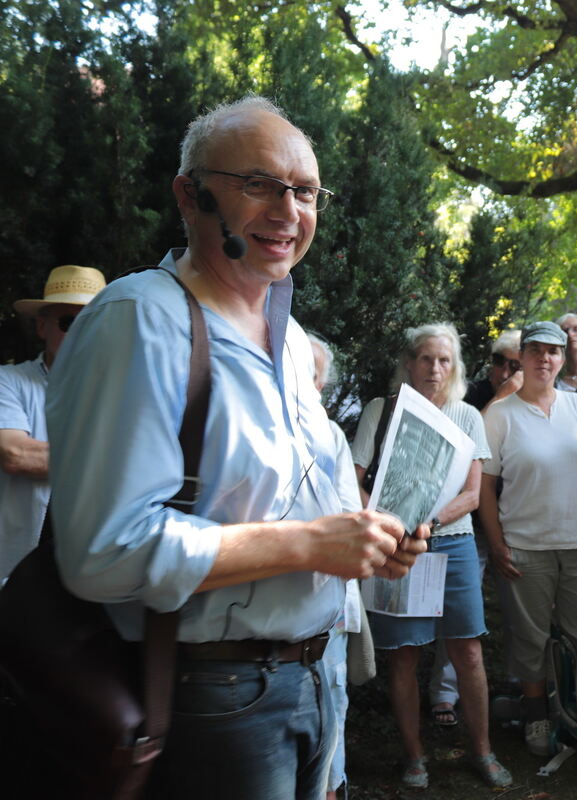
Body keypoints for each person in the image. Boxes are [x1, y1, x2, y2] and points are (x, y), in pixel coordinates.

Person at [45, 96, 428, 799]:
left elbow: (298, 499)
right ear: (190, 194)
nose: (289, 210)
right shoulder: (139, 321)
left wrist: (373, 542)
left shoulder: (285, 335)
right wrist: (309, 545)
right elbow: (102, 553)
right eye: (258, 184)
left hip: (314, 677)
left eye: (306, 190)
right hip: (212, 698)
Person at [357, 323, 511, 790]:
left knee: (467, 649)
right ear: (409, 363)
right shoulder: (382, 412)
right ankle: (415, 757)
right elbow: (356, 475)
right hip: (397, 547)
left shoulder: (467, 417)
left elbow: (472, 493)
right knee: (404, 654)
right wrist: (389, 523)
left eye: (444, 360)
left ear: (456, 368)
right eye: (426, 358)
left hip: (453, 542)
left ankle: (482, 751)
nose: (434, 368)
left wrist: (429, 523)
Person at [478, 321, 577, 756]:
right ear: (522, 356)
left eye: (553, 351)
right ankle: (537, 714)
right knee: (530, 638)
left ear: (563, 358)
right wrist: (498, 544)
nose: (544, 358)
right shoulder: (499, 415)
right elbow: (484, 487)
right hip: (525, 547)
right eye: (535, 350)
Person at [2, 265, 106, 586]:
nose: (79, 333)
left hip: (94, 577)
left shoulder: (124, 390)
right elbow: (16, 454)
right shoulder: (9, 381)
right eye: (68, 322)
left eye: (92, 323)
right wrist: (114, 462)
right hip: (13, 573)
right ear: (41, 326)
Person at [307, 333, 367, 800]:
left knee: (334, 701)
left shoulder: (330, 435)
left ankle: (332, 790)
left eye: (312, 374)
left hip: (330, 601)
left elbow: (350, 512)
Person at [464, 329, 522, 411]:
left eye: (515, 366)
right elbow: (472, 424)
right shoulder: (469, 393)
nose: (504, 374)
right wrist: (499, 397)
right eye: (499, 360)